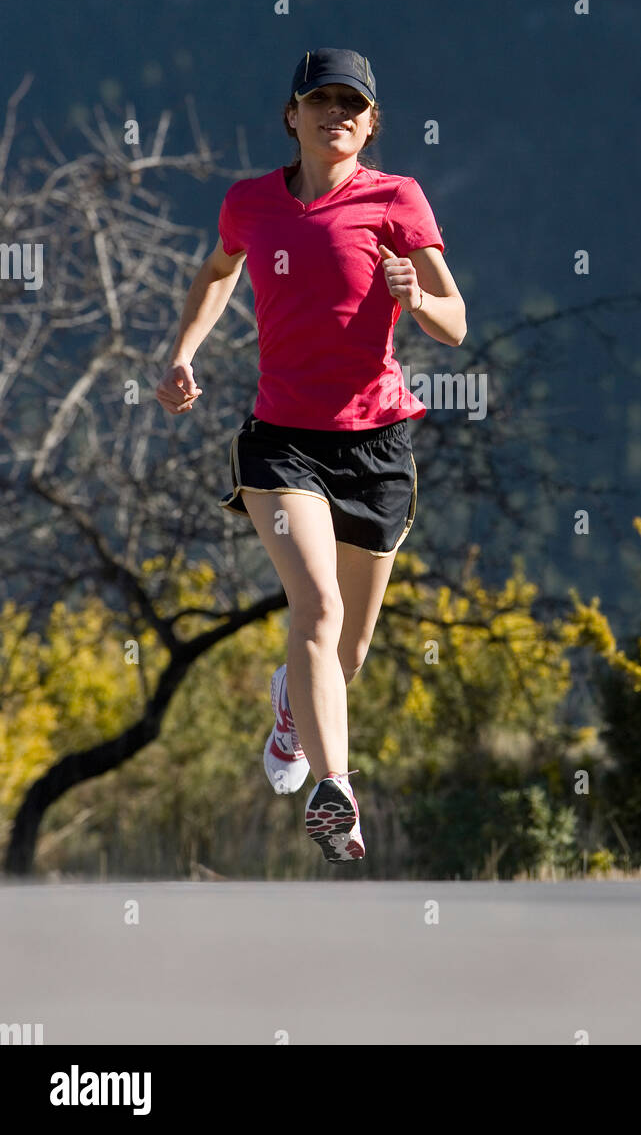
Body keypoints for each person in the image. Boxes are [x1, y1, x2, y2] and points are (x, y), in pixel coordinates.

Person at [155, 48, 466, 863]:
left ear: (371, 123)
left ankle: (290, 716)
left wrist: (416, 297)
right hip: (282, 445)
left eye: (353, 105)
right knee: (317, 611)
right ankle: (338, 795)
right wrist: (185, 351)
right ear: (291, 116)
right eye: (320, 100)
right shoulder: (250, 204)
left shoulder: (398, 201)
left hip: (377, 447)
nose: (338, 114)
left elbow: (455, 321)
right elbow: (220, 271)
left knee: (348, 648)